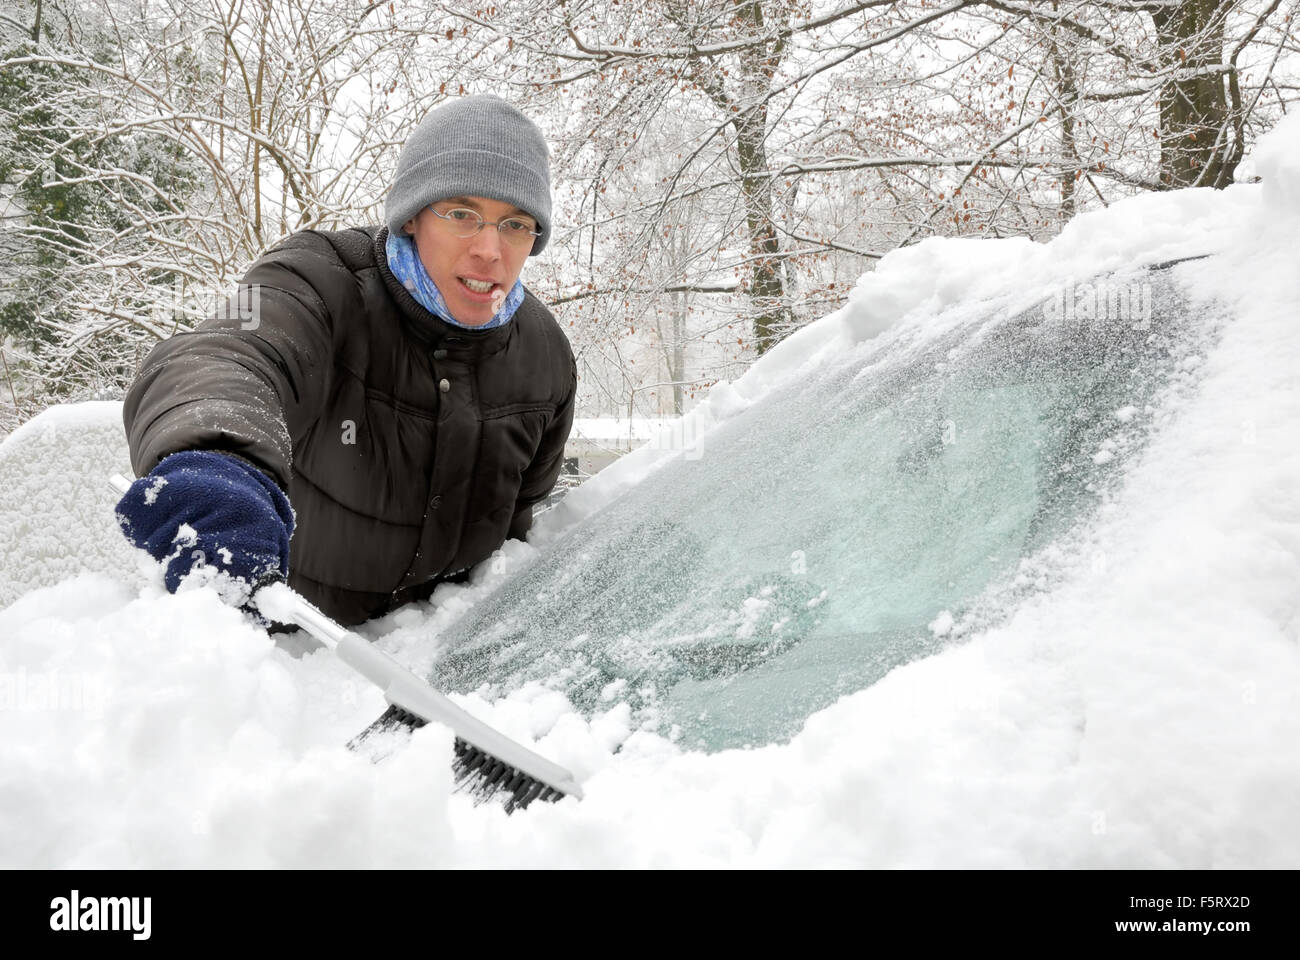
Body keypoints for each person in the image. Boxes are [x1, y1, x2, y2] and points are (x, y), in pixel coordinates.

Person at [114, 95, 577, 627]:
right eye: (461, 214)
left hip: (445, 670)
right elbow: (225, 351)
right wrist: (216, 461)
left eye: (516, 224)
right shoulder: (315, 279)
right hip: (296, 658)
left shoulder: (545, 357)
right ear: (411, 218)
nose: (491, 250)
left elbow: (526, 523)